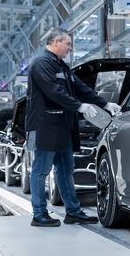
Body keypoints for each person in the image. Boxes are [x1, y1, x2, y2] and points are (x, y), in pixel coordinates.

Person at [26, 28, 122, 227]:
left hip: (62, 127)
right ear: (55, 42)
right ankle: (39, 214)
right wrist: (79, 106)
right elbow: (54, 91)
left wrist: (104, 104)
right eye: (68, 44)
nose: (70, 48)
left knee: (65, 170)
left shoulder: (61, 66)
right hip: (44, 126)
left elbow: (80, 88)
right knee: (41, 170)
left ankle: (73, 212)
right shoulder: (41, 63)